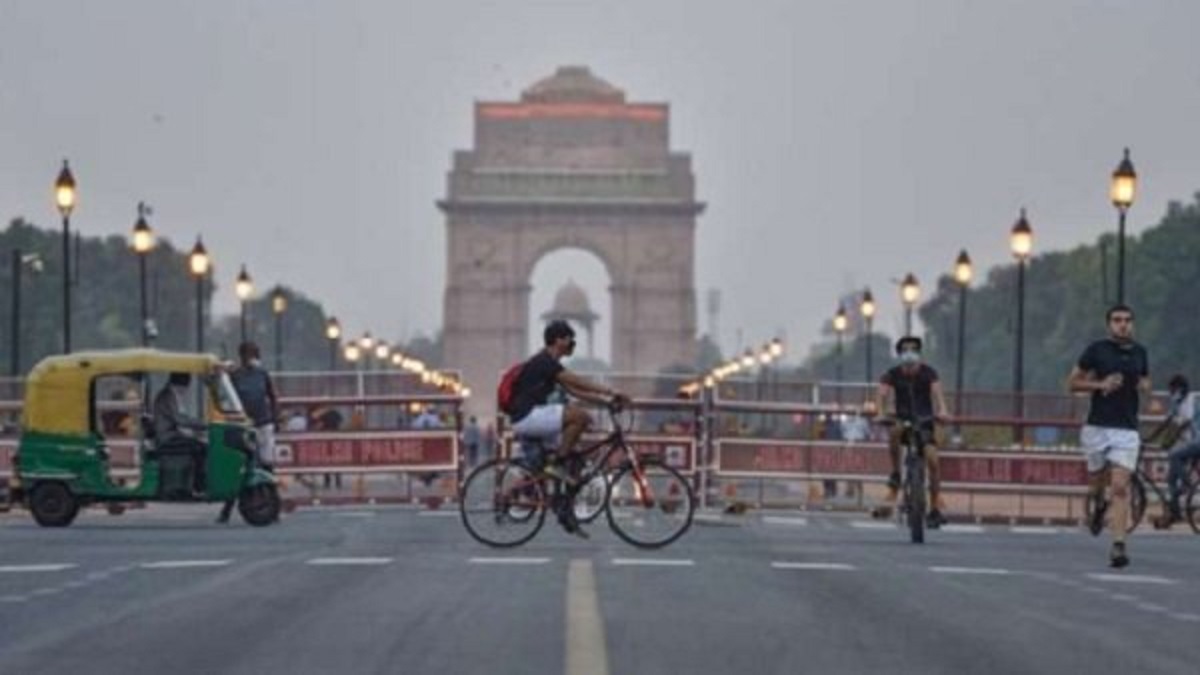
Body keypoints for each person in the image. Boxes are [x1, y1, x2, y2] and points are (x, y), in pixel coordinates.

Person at [506, 319, 629, 537]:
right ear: (558, 340)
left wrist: (606, 402)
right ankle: (557, 465)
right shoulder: (545, 361)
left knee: (576, 459)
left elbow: (575, 391)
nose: (573, 343)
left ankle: (565, 509)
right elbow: (576, 381)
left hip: (532, 416)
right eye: (569, 338)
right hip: (527, 416)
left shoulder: (550, 363)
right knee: (580, 418)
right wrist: (611, 391)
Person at [1067, 304, 1150, 568]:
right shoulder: (1097, 350)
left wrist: (1144, 387)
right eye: (1117, 320)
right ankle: (1098, 503)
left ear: (1132, 323)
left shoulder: (1140, 352)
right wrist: (1100, 384)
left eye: (1127, 320)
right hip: (1097, 427)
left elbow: (1145, 380)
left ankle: (1118, 545)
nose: (1123, 324)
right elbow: (1072, 383)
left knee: (1120, 487)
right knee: (1096, 484)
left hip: (1126, 429)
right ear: (1109, 324)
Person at [876, 336, 950, 528]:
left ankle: (934, 508)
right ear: (900, 354)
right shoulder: (892, 374)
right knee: (894, 430)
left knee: (933, 460)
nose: (909, 353)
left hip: (924, 421)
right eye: (905, 349)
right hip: (902, 419)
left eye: (913, 349)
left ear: (919, 352)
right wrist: (881, 412)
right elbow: (882, 394)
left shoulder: (929, 373)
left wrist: (942, 410)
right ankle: (896, 473)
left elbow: (937, 394)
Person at [219, 342, 279, 524]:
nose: (251, 358)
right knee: (239, 465)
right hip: (243, 426)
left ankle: (272, 506)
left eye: (254, 354)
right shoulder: (235, 375)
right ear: (242, 356)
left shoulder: (263, 374)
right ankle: (227, 509)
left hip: (263, 423)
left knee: (267, 464)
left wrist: (275, 418)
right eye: (248, 354)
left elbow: (272, 396)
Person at [152, 372, 208, 495]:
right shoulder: (168, 396)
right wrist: (204, 425)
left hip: (172, 434)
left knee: (199, 443)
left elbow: (181, 419)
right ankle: (199, 486)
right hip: (167, 438)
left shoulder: (171, 394)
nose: (186, 390)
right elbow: (180, 420)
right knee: (200, 448)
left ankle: (195, 485)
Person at [1156, 375, 1199, 524]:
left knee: (1174, 456)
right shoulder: (1176, 403)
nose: (1171, 394)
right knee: (1171, 479)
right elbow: (1167, 422)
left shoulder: (1191, 400)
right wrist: (1151, 437)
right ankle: (1175, 512)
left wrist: (1168, 441)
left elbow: (1185, 423)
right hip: (1190, 443)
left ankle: (1187, 484)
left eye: (1173, 390)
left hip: (1197, 441)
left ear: (1180, 389)